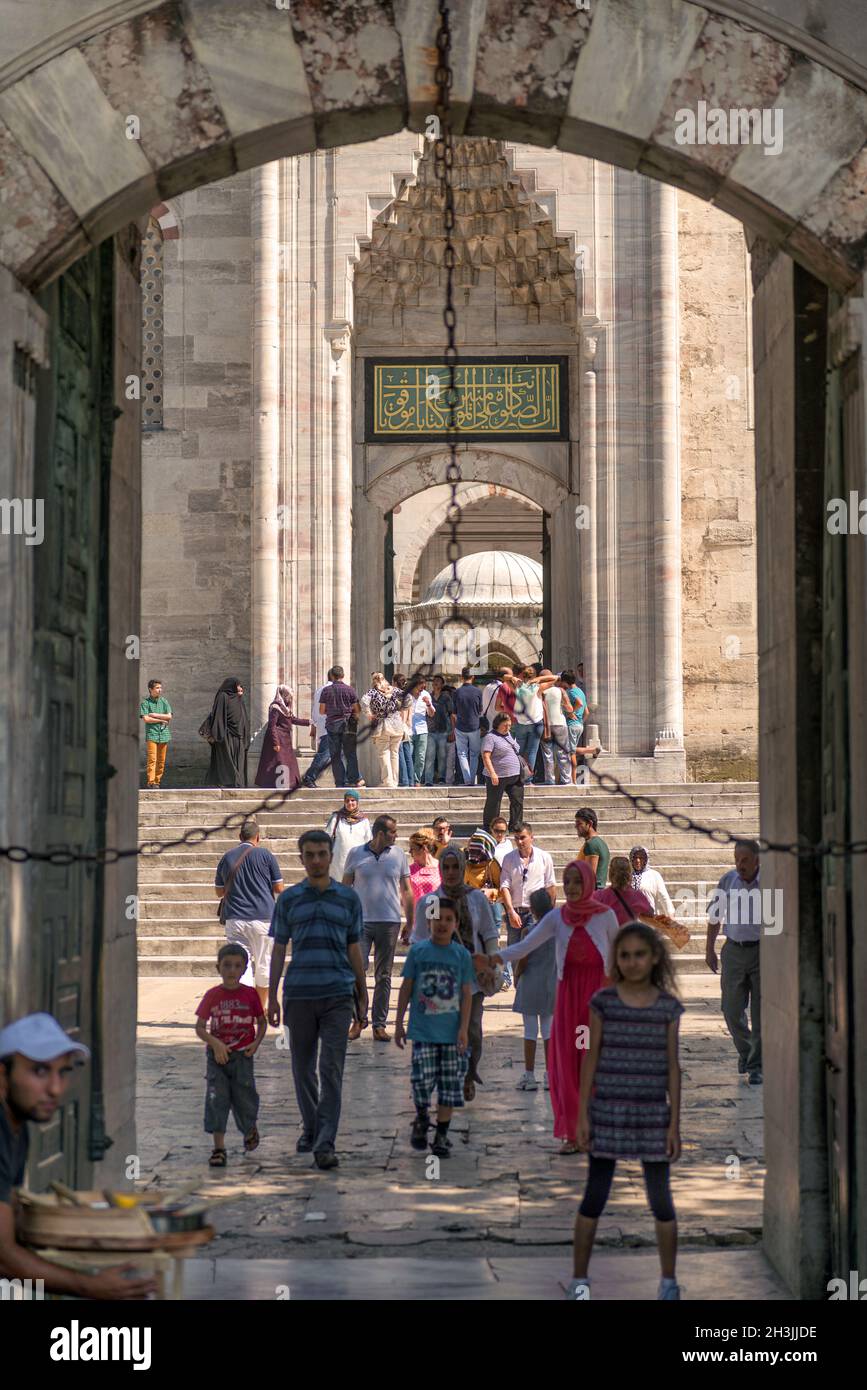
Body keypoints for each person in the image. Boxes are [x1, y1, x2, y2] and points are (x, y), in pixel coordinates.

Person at [0, 1013, 157, 1299]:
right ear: (2, 1074)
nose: (56, 1089)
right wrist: (90, 1285)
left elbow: (13, 1219)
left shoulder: (16, 1126)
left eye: (63, 1072)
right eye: (39, 1071)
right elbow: (3, 1255)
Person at [570, 922, 683, 1301]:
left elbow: (672, 1066)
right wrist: (583, 1113)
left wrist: (675, 1125)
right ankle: (580, 1279)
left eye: (639, 954)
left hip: (653, 1114)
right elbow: (590, 1058)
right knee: (594, 1196)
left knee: (661, 1200)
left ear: (653, 958)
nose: (632, 962)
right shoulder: (603, 1002)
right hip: (608, 1112)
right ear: (616, 960)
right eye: (624, 955)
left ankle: (668, 1281)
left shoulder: (668, 1008)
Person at [482, 860, 619, 1154]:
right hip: (568, 999)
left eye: (577, 882)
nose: (571, 888)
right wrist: (496, 958)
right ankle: (572, 1132)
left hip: (595, 1003)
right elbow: (525, 946)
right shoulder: (558, 918)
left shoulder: (605, 916)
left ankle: (593, 1128)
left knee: (591, 1061)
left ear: (589, 883)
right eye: (567, 882)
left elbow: (619, 955)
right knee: (566, 1065)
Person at [268, 830, 368, 1168]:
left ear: (330, 855)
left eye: (321, 854)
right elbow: (279, 946)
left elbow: (355, 947)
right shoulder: (289, 900)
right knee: (302, 1068)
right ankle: (311, 1126)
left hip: (338, 992)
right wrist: (272, 997)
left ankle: (325, 1140)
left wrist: (362, 990)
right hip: (299, 993)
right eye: (309, 855)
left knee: (331, 1069)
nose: (316, 860)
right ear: (301, 858)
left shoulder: (348, 899)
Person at [411, 847, 498, 1101]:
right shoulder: (431, 902)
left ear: (462, 868)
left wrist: (495, 964)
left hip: (473, 977)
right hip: (441, 979)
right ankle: (451, 1076)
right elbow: (421, 938)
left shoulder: (476, 899)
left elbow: (490, 934)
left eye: (454, 867)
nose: (450, 872)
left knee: (472, 1031)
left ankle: (470, 1073)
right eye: (445, 867)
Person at [394, 898, 474, 1158]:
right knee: (421, 1081)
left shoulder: (461, 955)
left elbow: (467, 994)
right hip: (423, 1032)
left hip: (451, 1034)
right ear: (429, 921)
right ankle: (420, 1118)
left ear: (456, 924)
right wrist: (398, 1022)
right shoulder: (418, 952)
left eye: (449, 919)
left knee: (449, 1085)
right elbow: (406, 987)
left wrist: (464, 1029)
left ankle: (441, 1134)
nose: (442, 923)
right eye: (438, 918)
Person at [195, 943, 267, 1166]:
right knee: (217, 1098)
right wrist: (215, 1044)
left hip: (242, 1056)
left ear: (244, 969)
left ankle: (248, 1128)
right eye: (227, 965)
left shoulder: (251, 995)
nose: (232, 970)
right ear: (218, 968)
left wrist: (256, 1043)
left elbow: (261, 1022)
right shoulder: (212, 995)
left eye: (237, 966)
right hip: (217, 1058)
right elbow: (200, 1027)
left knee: (245, 1096)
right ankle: (219, 1148)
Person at [343, 815, 413, 1042]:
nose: (396, 835)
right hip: (360, 922)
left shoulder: (399, 855)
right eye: (393, 831)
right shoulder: (355, 853)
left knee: (384, 975)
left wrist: (410, 921)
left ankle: (379, 1024)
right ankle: (358, 1019)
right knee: (357, 971)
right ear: (380, 833)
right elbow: (345, 887)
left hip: (389, 921)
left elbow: (407, 890)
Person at [706, 839, 763, 1085]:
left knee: (761, 1015)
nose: (740, 864)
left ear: (756, 860)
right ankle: (748, 1051)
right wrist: (709, 948)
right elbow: (714, 917)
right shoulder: (728, 881)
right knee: (731, 1010)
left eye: (745, 860)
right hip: (734, 951)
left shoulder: (769, 884)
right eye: (737, 859)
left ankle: (756, 1065)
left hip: (762, 953)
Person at [214, 820, 284, 1009]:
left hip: (235, 918)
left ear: (239, 837)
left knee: (238, 965)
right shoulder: (266, 855)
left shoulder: (227, 856)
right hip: (264, 918)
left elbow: (219, 892)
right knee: (264, 964)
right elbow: (278, 887)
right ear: (258, 837)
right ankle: (259, 1008)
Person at [512, 887, 558, 1092]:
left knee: (530, 1031)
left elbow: (523, 958)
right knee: (548, 1031)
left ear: (534, 910)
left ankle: (529, 1075)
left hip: (531, 984)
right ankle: (550, 1075)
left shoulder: (529, 932)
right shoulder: (558, 932)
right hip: (550, 984)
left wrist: (516, 975)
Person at [499, 823, 556, 943]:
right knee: (514, 953)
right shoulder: (508, 858)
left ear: (531, 837)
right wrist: (510, 912)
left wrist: (549, 914)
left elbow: (550, 886)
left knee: (533, 952)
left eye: (522, 837)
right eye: (516, 838)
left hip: (535, 913)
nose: (519, 842)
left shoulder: (544, 857)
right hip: (515, 912)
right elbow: (504, 886)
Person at [254, 684, 310, 790]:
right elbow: (272, 726)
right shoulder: (275, 707)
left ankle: (290, 783)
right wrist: (276, 743)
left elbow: (292, 719)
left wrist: (309, 722)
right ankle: (274, 783)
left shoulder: (285, 707)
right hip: (278, 739)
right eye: (288, 695)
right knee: (278, 761)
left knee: (288, 762)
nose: (290, 698)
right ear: (283, 695)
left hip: (286, 740)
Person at [320, 666, 363, 789]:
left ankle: (340, 782)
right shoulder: (350, 690)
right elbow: (357, 709)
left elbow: (322, 711)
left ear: (332, 676)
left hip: (332, 724)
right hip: (348, 725)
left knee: (335, 755)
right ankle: (353, 779)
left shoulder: (326, 691)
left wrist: (332, 710)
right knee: (350, 753)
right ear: (343, 676)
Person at [481, 712, 524, 831]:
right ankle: (490, 826)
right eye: (505, 725)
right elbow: (485, 756)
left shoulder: (509, 734)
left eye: (509, 725)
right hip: (497, 776)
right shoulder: (490, 737)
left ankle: (515, 825)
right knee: (494, 803)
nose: (508, 728)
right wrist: (492, 773)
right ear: (497, 724)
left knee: (517, 800)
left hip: (515, 775)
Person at [203, 677, 250, 787]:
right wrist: (219, 734)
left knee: (239, 760)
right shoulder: (223, 696)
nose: (240, 687)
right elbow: (218, 716)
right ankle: (228, 782)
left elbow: (243, 719)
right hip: (226, 735)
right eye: (238, 685)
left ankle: (238, 783)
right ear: (232, 685)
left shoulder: (238, 699)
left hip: (239, 736)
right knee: (227, 761)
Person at [363, 672, 405, 788]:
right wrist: (400, 709)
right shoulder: (394, 690)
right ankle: (394, 782)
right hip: (397, 724)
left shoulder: (373, 692)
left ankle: (388, 782)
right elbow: (409, 698)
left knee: (384, 753)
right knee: (394, 754)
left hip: (382, 725)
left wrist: (369, 714)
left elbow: (364, 701)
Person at [512, 666, 555, 776]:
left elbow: (505, 677)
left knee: (520, 751)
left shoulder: (518, 686)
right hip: (535, 723)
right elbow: (556, 678)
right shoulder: (537, 687)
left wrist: (516, 679)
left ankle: (517, 776)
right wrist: (539, 679)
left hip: (520, 722)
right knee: (532, 751)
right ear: (534, 676)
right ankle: (527, 779)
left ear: (523, 675)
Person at [325, 790, 372, 881]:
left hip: (358, 860)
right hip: (339, 861)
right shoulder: (336, 817)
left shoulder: (364, 820)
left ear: (357, 802)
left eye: (353, 800)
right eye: (347, 801)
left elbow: (369, 841)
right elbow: (326, 837)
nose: (350, 803)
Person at [597, 854, 654, 925]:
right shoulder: (637, 896)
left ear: (610, 873)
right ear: (629, 874)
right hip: (626, 934)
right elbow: (650, 912)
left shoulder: (599, 896)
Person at [303, 669, 335, 789]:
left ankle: (345, 779)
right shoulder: (331, 689)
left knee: (335, 755)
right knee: (324, 754)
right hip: (330, 726)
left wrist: (314, 726)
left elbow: (315, 711)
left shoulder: (319, 690)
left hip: (324, 726)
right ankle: (309, 776)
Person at [140, 677, 172, 788]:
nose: (160, 690)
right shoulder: (145, 703)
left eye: (160, 688)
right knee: (152, 759)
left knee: (161, 760)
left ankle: (157, 782)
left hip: (164, 734)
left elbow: (169, 716)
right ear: (150, 689)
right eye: (157, 688)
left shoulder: (164, 701)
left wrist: (154, 715)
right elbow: (146, 719)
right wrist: (161, 720)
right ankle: (151, 782)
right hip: (152, 735)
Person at [541, 672, 572, 785]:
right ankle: (566, 780)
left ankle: (550, 780)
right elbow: (570, 709)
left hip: (546, 725)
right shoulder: (561, 690)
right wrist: (561, 705)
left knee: (548, 755)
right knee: (563, 753)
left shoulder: (540, 691)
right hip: (560, 723)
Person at [423, 674, 455, 786]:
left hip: (443, 731)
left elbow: (451, 715)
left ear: (442, 684)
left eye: (438, 681)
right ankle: (428, 780)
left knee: (442, 756)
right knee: (430, 756)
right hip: (430, 731)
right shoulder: (428, 696)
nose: (435, 682)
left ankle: (441, 777)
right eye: (434, 681)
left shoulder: (446, 697)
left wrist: (452, 731)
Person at [453, 666, 482, 784]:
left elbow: (454, 712)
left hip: (460, 726)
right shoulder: (478, 691)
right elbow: (480, 710)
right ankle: (472, 779)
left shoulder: (457, 692)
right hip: (474, 726)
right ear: (473, 677)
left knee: (462, 754)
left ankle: (467, 780)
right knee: (474, 754)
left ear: (461, 677)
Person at [630, 845, 675, 917]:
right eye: (635, 857)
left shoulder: (654, 875)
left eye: (641, 858)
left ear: (646, 859)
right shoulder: (627, 876)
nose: (637, 861)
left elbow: (664, 898)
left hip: (649, 920)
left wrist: (671, 917)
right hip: (631, 921)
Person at [575, 807, 610, 889]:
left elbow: (590, 878)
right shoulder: (599, 842)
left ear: (590, 824)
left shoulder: (592, 844)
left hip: (592, 895)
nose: (575, 826)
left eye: (579, 823)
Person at [409, 677, 435, 785]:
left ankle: (416, 780)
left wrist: (428, 704)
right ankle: (408, 779)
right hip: (409, 730)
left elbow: (431, 714)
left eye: (423, 686)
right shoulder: (407, 695)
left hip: (422, 729)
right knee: (408, 756)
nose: (422, 688)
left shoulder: (426, 695)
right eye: (420, 686)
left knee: (420, 757)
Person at [393, 674, 416, 787]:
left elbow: (402, 715)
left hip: (400, 727)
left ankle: (404, 780)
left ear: (395, 683)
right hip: (408, 728)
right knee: (408, 756)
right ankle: (411, 780)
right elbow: (409, 716)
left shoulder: (398, 696)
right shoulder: (409, 696)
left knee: (401, 755)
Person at [408, 828, 441, 903]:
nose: (410, 852)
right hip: (416, 913)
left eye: (412, 849)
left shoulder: (441, 868)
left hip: (438, 913)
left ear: (423, 848)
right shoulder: (409, 870)